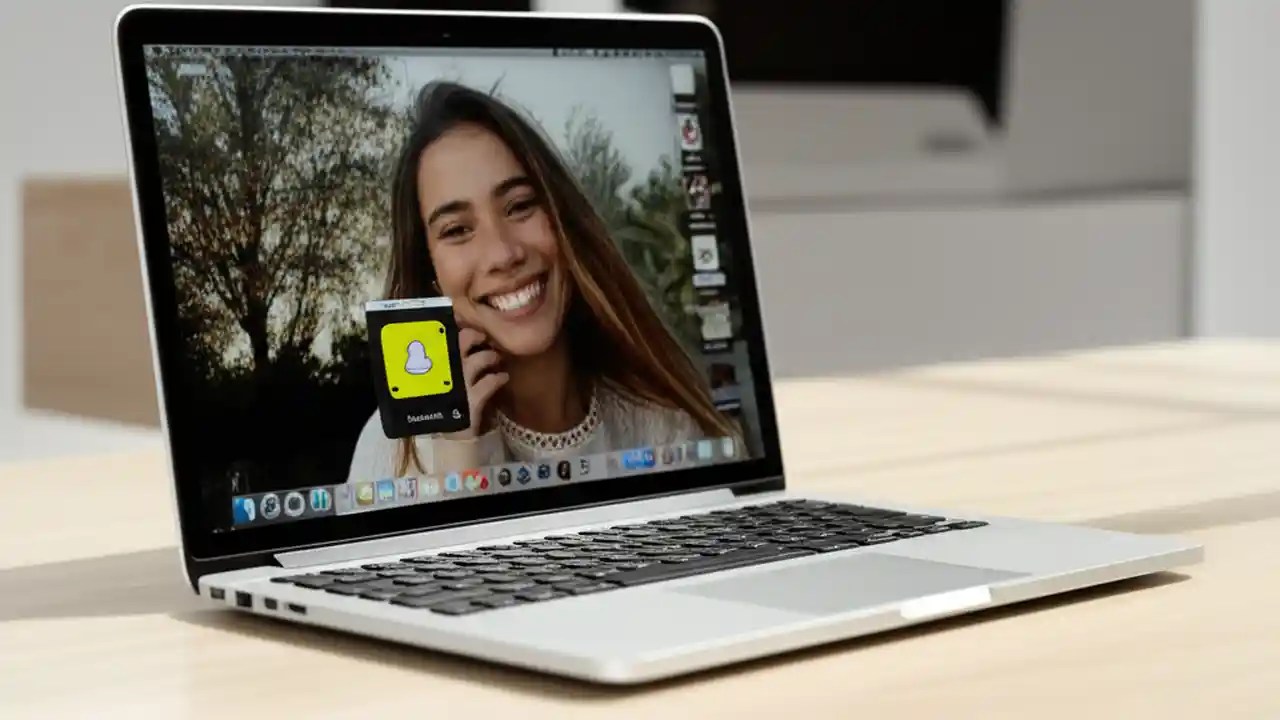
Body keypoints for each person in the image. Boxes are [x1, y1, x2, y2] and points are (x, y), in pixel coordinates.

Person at [347, 82, 736, 482]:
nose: (503, 253)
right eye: (457, 229)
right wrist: (459, 460)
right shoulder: (392, 451)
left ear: (561, 218)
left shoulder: (661, 426)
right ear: (431, 272)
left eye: (519, 206)